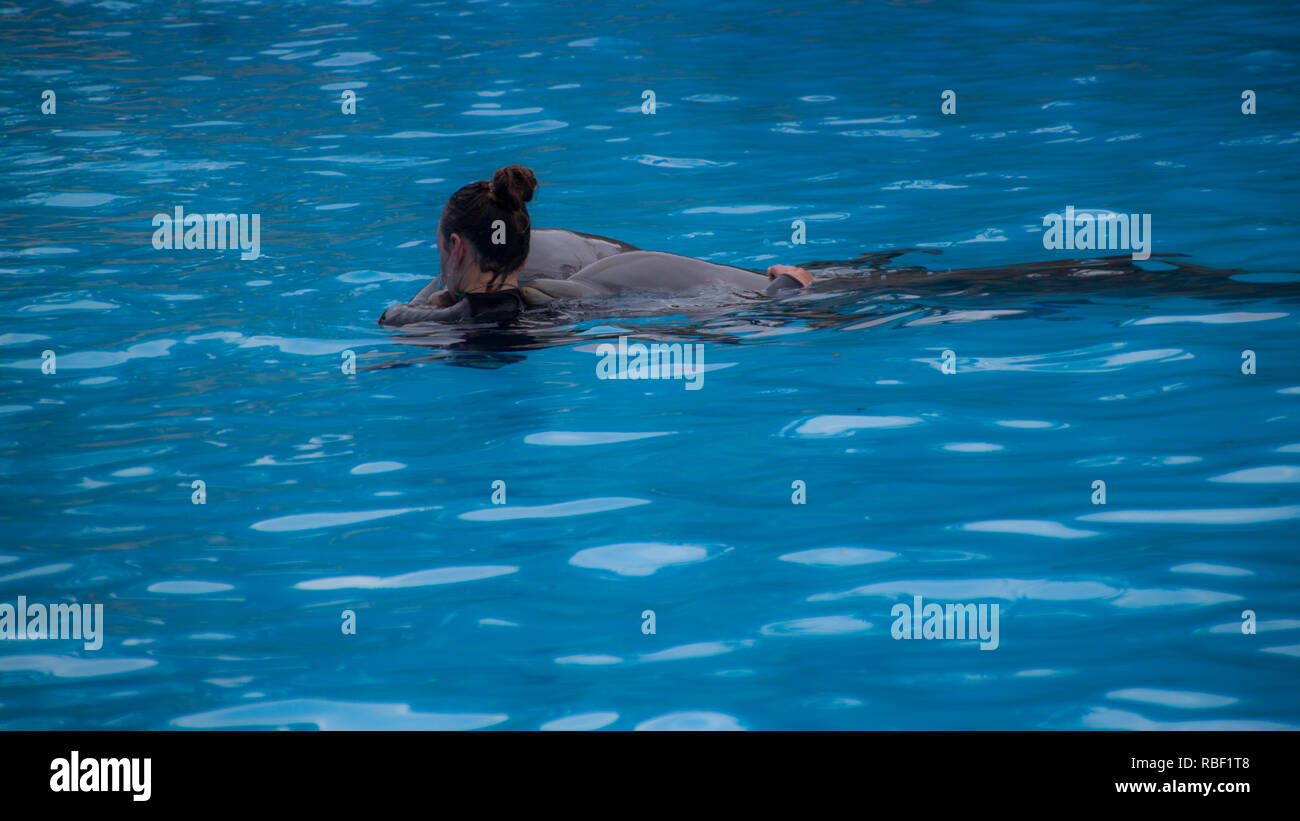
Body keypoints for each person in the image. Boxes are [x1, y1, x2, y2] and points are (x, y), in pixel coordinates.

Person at [378, 165, 813, 327]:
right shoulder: (562, 302)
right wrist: (787, 286)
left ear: (456, 248)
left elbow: (397, 317)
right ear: (525, 255)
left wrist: (416, 309)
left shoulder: (443, 321)